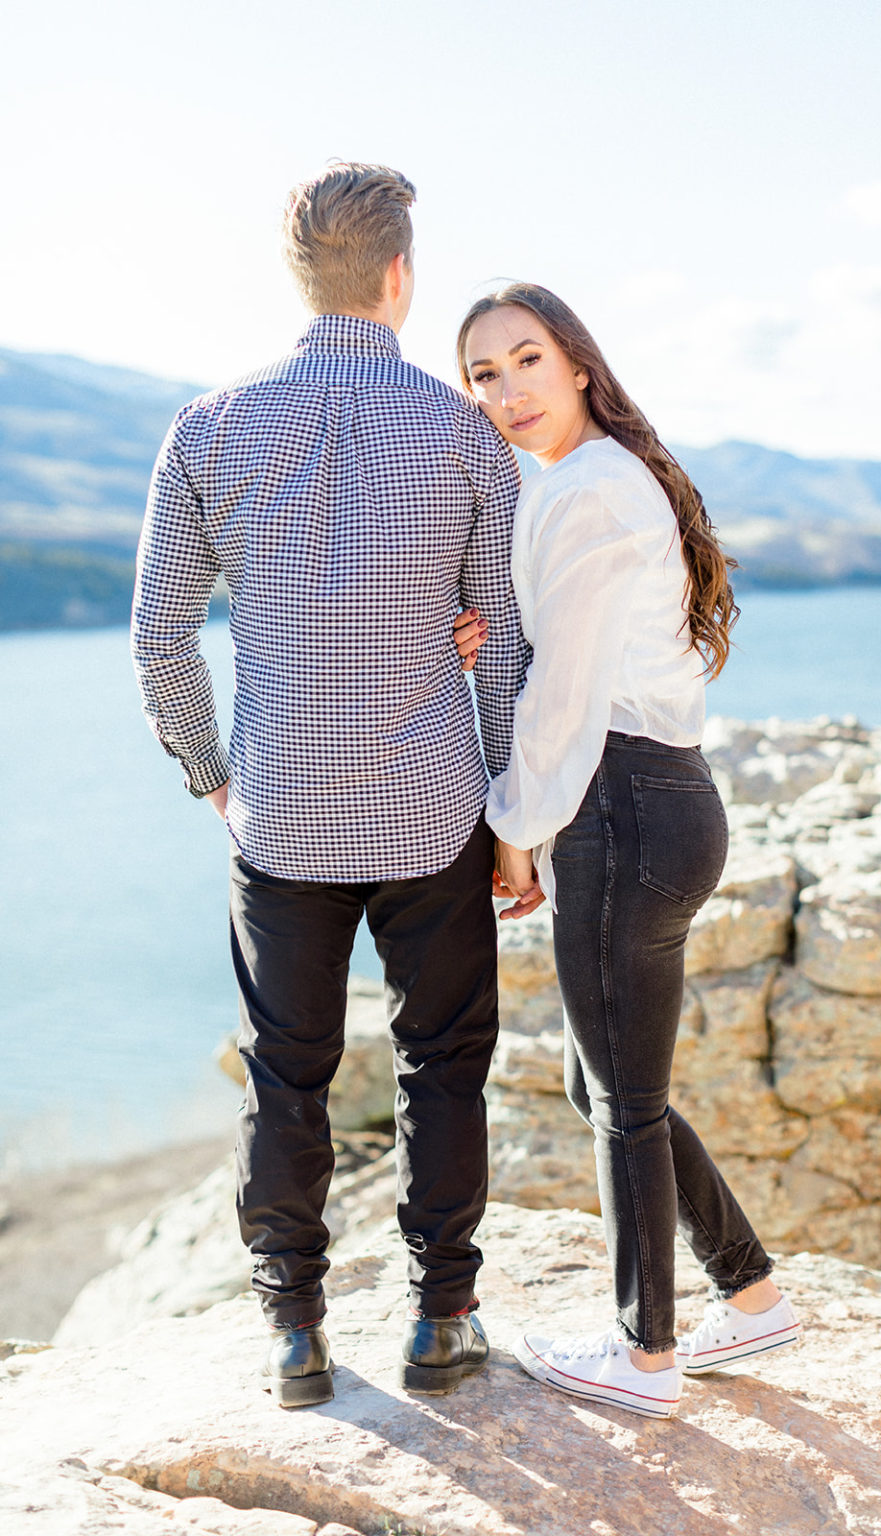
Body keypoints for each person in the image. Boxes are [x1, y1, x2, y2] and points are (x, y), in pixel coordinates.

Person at [131, 163, 530, 1408]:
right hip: (432, 816)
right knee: (442, 1064)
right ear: (400, 277)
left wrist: (213, 776)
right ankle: (441, 1320)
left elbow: (158, 639)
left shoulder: (207, 427)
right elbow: (503, 640)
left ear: (300, 278)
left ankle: (295, 1335)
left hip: (283, 818)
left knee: (285, 1071)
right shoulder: (466, 433)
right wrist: (512, 816)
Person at [454, 283, 801, 1420]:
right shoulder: (585, 485)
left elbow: (567, 696)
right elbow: (573, 648)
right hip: (653, 802)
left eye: (525, 361)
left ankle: (643, 1354)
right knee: (597, 1077)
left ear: (580, 367)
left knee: (625, 1094)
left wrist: (514, 833)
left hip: (620, 804)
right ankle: (746, 1297)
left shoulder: (591, 492)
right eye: (482, 375)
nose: (506, 392)